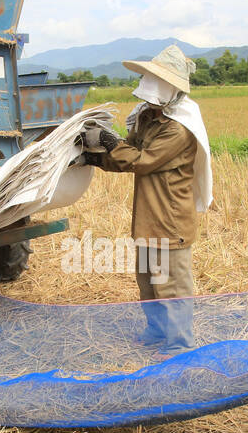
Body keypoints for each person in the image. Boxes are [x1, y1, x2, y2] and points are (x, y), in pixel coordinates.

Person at [83, 45, 212, 354]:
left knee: (171, 287)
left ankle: (180, 345)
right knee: (149, 283)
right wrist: (95, 157)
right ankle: (157, 331)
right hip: (147, 216)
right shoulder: (148, 117)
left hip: (169, 218)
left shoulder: (179, 128)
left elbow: (141, 160)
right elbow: (125, 155)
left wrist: (109, 141)